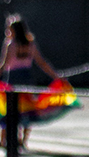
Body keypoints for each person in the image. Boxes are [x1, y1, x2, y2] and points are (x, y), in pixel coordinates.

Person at [1, 14, 62, 152]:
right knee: (28, 111)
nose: (8, 32)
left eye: (9, 29)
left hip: (13, 81)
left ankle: (4, 140)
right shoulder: (30, 44)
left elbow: (5, 65)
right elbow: (41, 62)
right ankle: (23, 140)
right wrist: (56, 76)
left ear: (15, 30)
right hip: (27, 79)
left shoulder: (11, 44)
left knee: (9, 112)